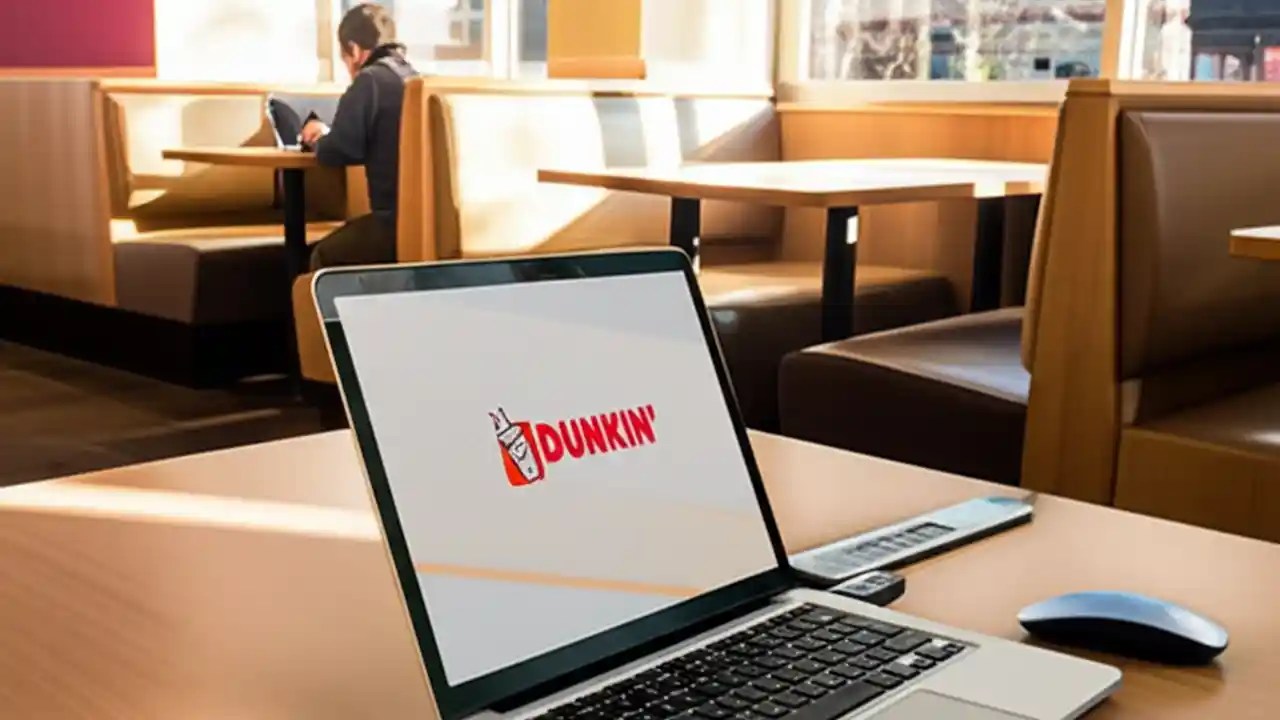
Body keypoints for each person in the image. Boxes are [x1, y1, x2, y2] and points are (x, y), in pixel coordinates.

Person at [301, 3, 417, 270]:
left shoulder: (370, 80)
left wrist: (319, 138)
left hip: (392, 224)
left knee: (324, 257)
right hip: (427, 221)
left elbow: (340, 150)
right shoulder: (417, 79)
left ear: (353, 50)